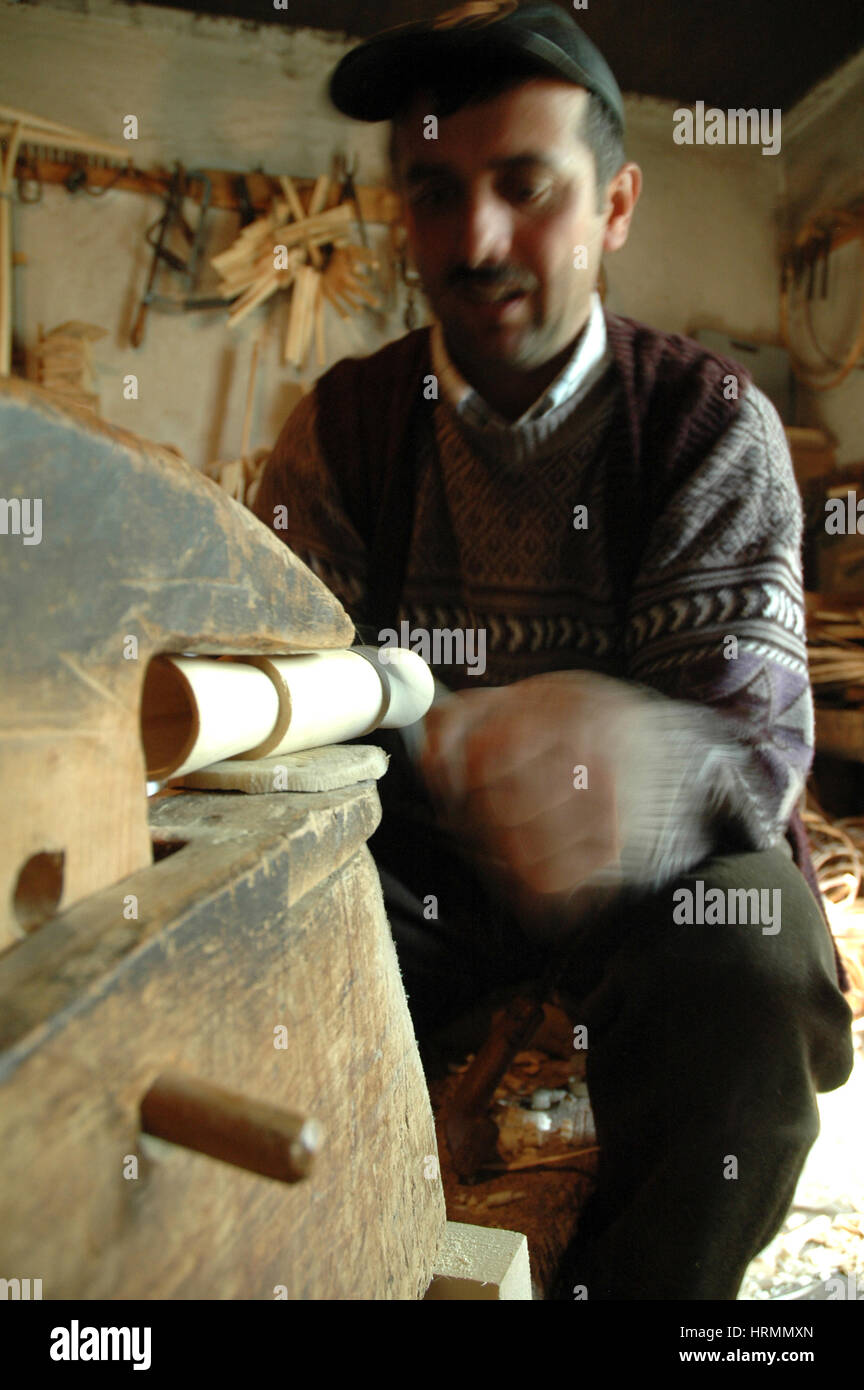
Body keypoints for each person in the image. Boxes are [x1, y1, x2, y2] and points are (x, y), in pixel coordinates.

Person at [252, 2, 854, 1299]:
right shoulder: (349, 423)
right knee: (255, 948)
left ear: (617, 205)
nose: (474, 241)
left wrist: (641, 763)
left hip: (656, 895)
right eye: (432, 193)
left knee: (758, 963)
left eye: (527, 188)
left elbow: (755, 756)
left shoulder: (707, 424)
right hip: (419, 882)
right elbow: (275, 702)